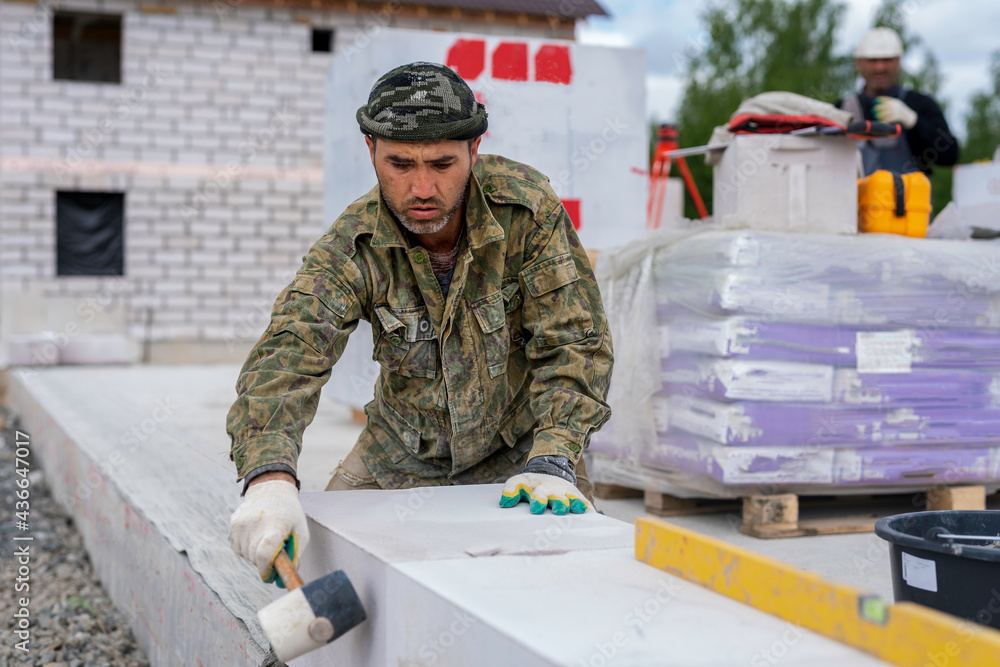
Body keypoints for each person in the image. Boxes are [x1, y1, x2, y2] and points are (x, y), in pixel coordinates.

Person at [227, 62, 614, 586]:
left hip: (525, 453)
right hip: (401, 452)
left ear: (474, 151)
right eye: (401, 164)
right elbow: (288, 356)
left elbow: (575, 342)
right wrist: (269, 476)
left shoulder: (526, 210)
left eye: (443, 163)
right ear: (371, 151)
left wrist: (555, 454)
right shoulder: (353, 246)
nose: (422, 187)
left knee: (567, 586)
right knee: (321, 571)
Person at [840, 27, 959, 176]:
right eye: (872, 60)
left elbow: (950, 155)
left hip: (911, 199)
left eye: (887, 60)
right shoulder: (843, 110)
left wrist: (914, 121)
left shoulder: (920, 104)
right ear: (859, 63)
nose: (880, 67)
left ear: (899, 62)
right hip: (855, 199)